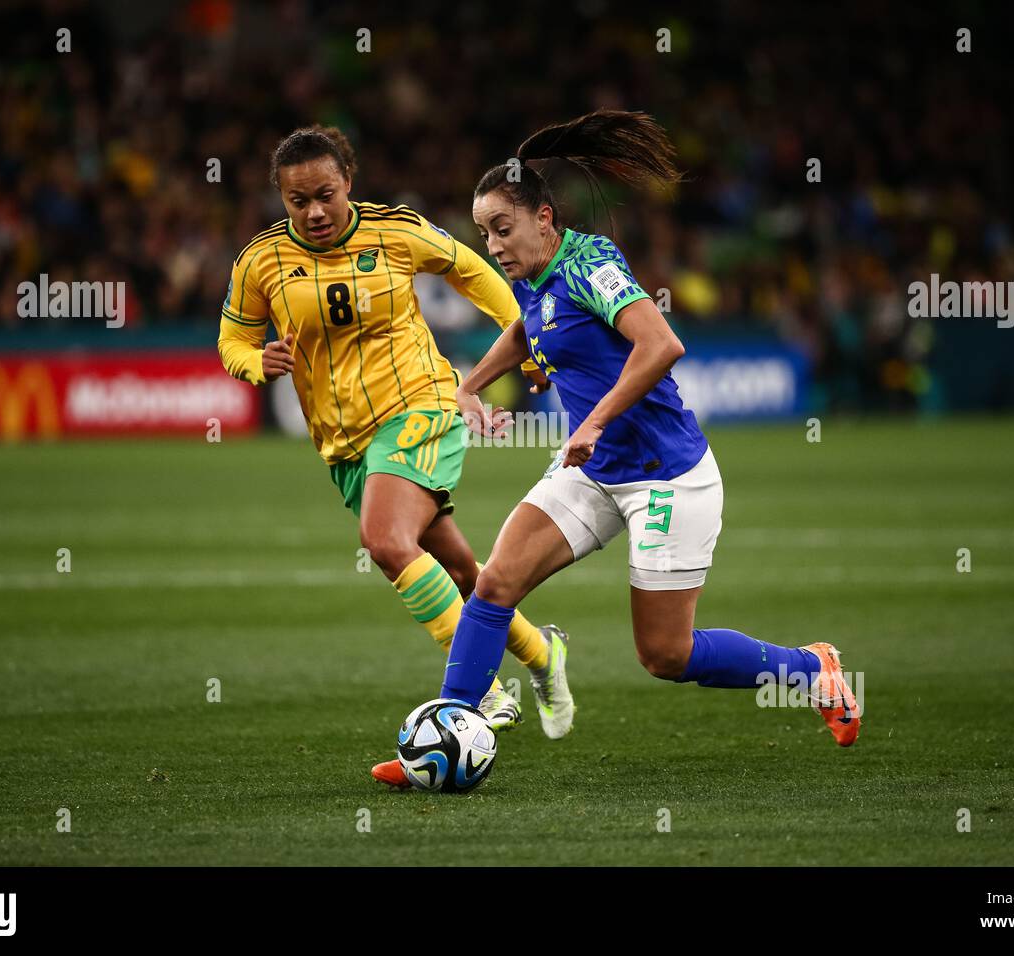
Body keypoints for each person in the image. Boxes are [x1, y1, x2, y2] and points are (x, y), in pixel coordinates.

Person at [374, 111, 859, 788]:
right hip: (592, 472)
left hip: (666, 477)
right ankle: (444, 736)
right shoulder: (530, 273)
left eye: (502, 230)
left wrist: (593, 420)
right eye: (483, 233)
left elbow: (661, 345)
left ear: (545, 218)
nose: (494, 245)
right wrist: (471, 385)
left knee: (665, 654)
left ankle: (812, 669)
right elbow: (525, 327)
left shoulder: (592, 262)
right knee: (494, 584)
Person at [218, 125, 576, 741]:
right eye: (297, 201)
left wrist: (528, 340)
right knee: (465, 573)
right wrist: (256, 363)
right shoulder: (261, 260)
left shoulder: (396, 230)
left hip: (421, 406)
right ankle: (543, 655)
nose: (315, 211)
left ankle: (480, 692)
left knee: (383, 540)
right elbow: (233, 339)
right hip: (345, 444)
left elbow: (473, 272)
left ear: (348, 183)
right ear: (282, 200)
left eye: (325, 194)